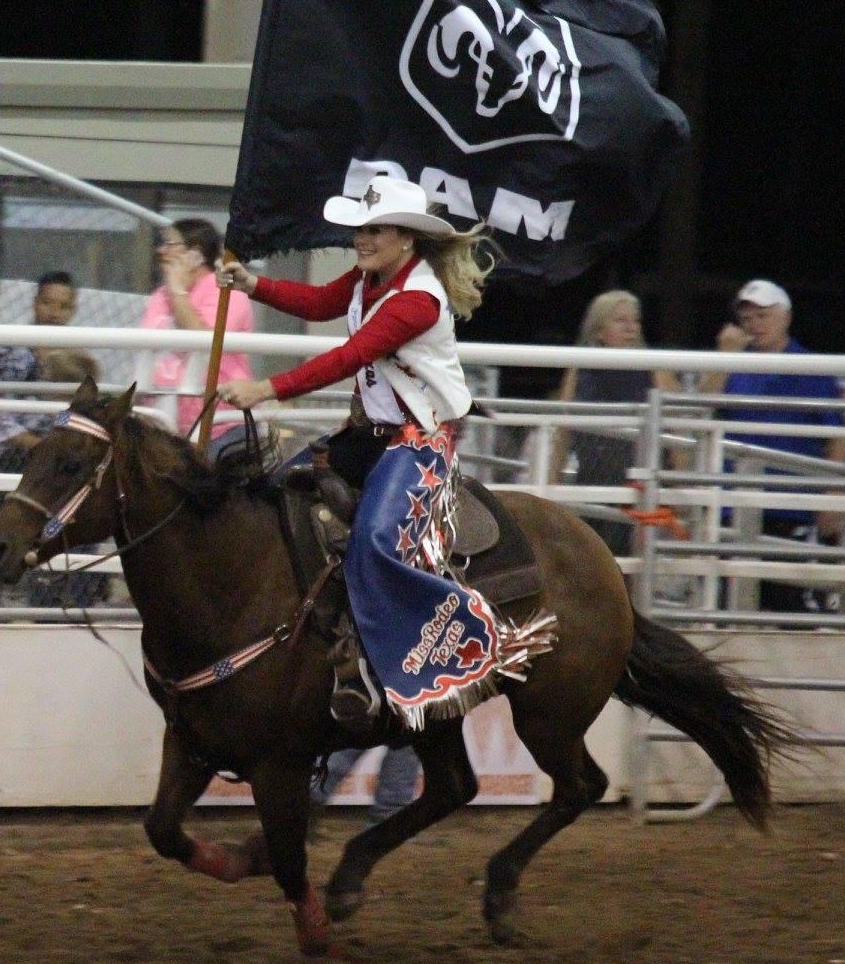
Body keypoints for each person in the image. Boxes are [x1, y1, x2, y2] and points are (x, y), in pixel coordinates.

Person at [216, 174, 552, 726]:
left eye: (375, 230)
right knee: (274, 495)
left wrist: (265, 388)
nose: (362, 239)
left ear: (407, 240)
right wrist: (255, 285)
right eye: (361, 229)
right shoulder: (371, 279)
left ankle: (398, 657)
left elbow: (350, 356)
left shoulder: (416, 300)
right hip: (366, 436)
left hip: (418, 443)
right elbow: (322, 300)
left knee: (376, 539)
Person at [707, 278, 845, 613]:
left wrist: (834, 496)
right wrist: (723, 358)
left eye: (762, 316)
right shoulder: (732, 364)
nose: (754, 325)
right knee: (728, 604)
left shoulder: (811, 368)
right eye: (747, 319)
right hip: (736, 506)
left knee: (790, 606)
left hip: (790, 505)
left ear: (785, 317)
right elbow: (704, 405)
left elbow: (838, 435)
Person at [549, 290, 681, 555]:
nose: (631, 328)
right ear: (599, 330)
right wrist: (551, 483)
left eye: (635, 321)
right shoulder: (580, 368)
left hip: (639, 487)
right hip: (592, 483)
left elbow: (677, 431)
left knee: (631, 567)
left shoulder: (654, 367)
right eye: (620, 320)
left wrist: (677, 490)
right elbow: (562, 431)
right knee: (590, 561)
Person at [139, 218, 252, 437]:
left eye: (170, 244)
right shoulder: (159, 297)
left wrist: (178, 290)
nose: (161, 251)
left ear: (196, 254)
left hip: (219, 423)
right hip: (161, 421)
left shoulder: (227, 294)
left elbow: (203, 340)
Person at [0, 270, 77, 466]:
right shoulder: (4, 350)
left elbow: (74, 411)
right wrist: (35, 444)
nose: (54, 313)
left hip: (55, 450)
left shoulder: (75, 361)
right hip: (6, 452)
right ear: (35, 302)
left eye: (64, 306)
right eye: (47, 303)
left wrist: (57, 440)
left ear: (73, 310)